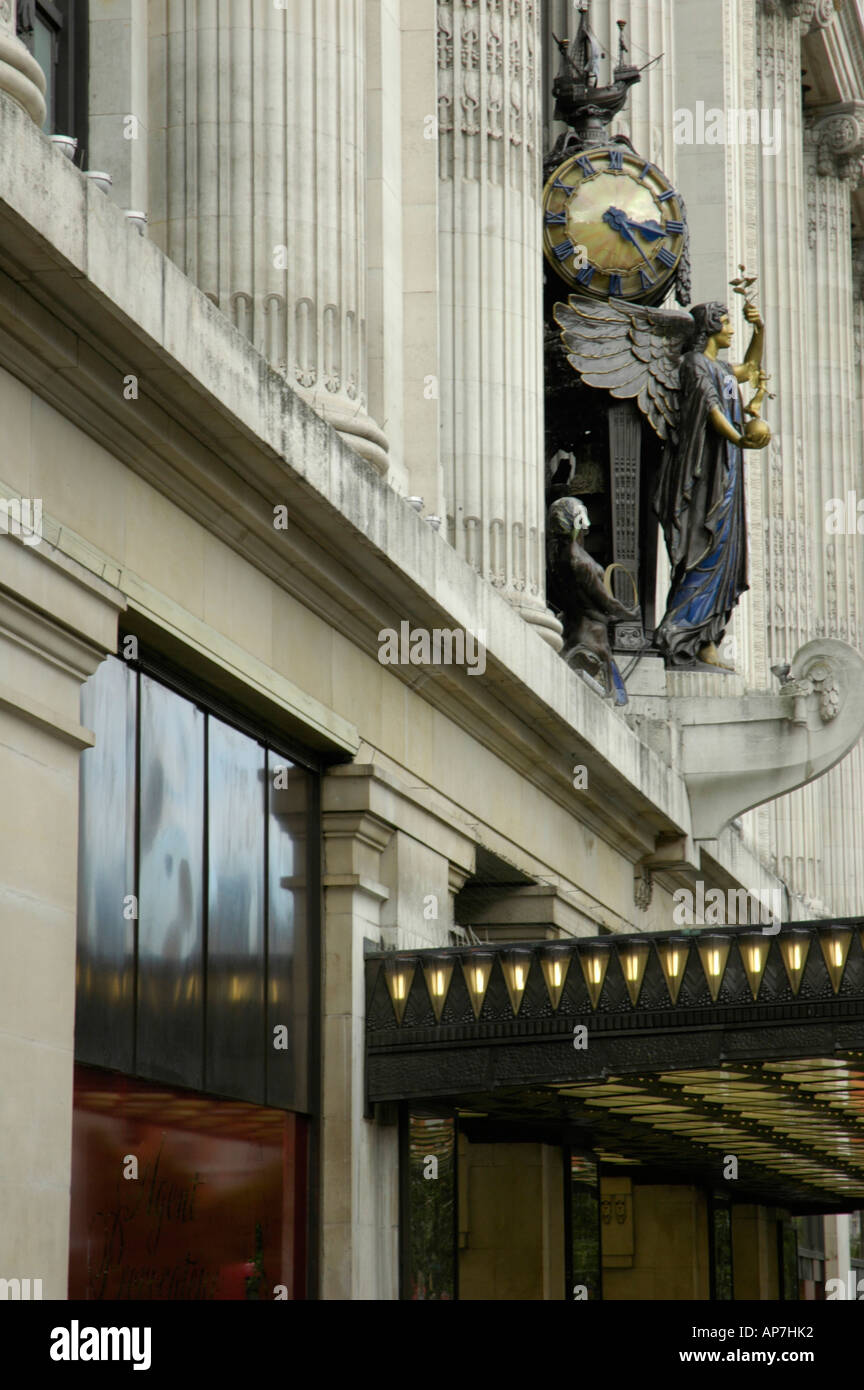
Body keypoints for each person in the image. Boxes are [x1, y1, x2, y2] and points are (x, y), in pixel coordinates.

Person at [653, 300, 770, 670]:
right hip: (702, 472)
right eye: (727, 323)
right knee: (704, 548)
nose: (731, 329)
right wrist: (738, 438)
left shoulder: (719, 367)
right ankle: (676, 632)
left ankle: (706, 640)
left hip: (727, 471)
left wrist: (760, 330)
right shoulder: (694, 364)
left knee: (724, 551)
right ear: (709, 326)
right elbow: (710, 407)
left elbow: (749, 371)